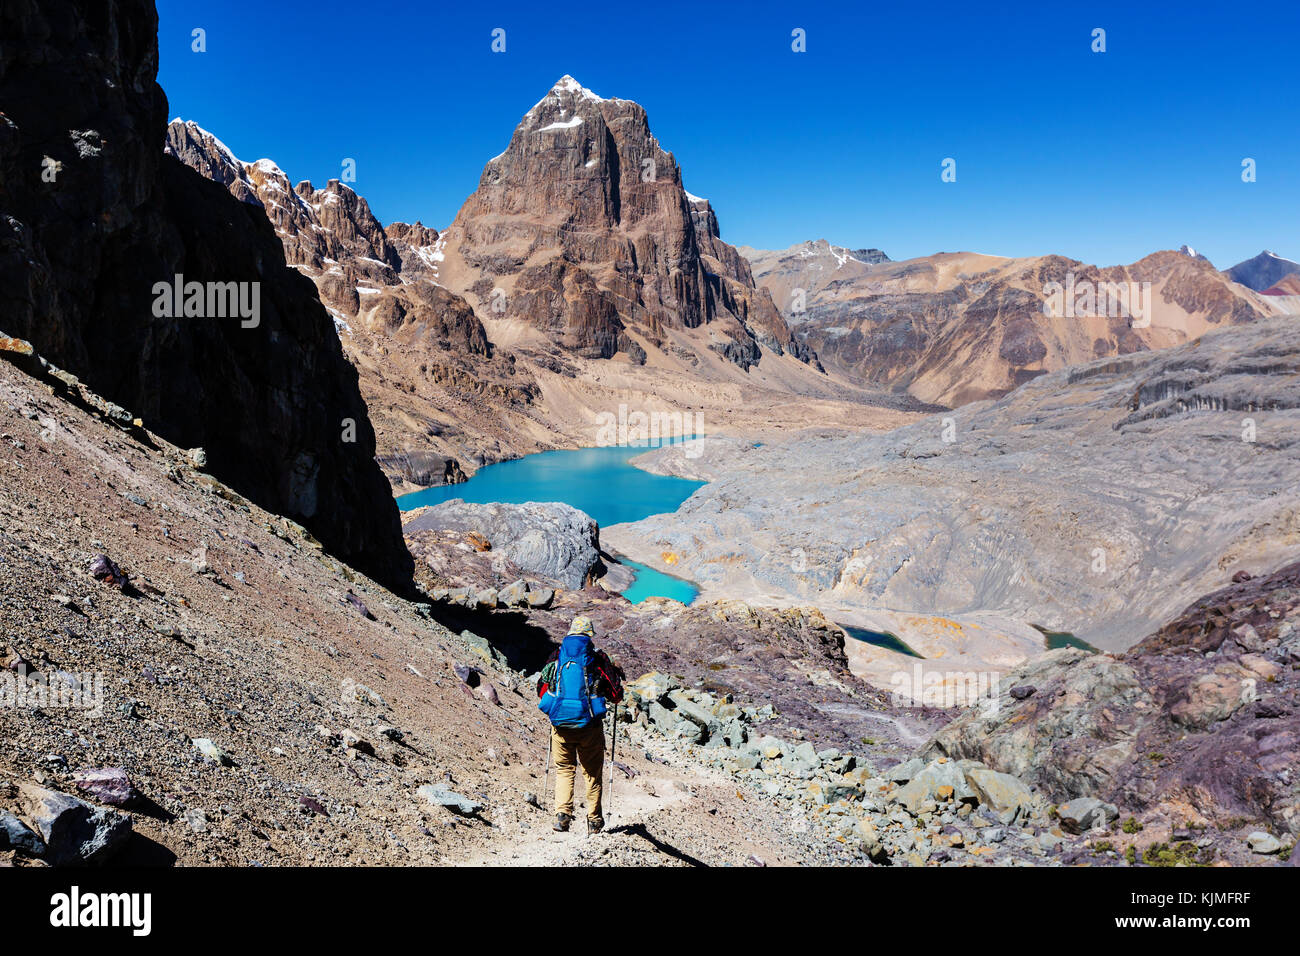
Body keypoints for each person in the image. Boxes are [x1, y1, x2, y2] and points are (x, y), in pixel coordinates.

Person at [536, 615, 624, 833]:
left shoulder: (556, 657)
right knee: (592, 773)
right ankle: (594, 821)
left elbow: (541, 689)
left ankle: (562, 817)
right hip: (589, 728)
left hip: (560, 726)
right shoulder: (598, 659)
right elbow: (615, 695)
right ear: (589, 635)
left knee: (565, 769)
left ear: (570, 633)